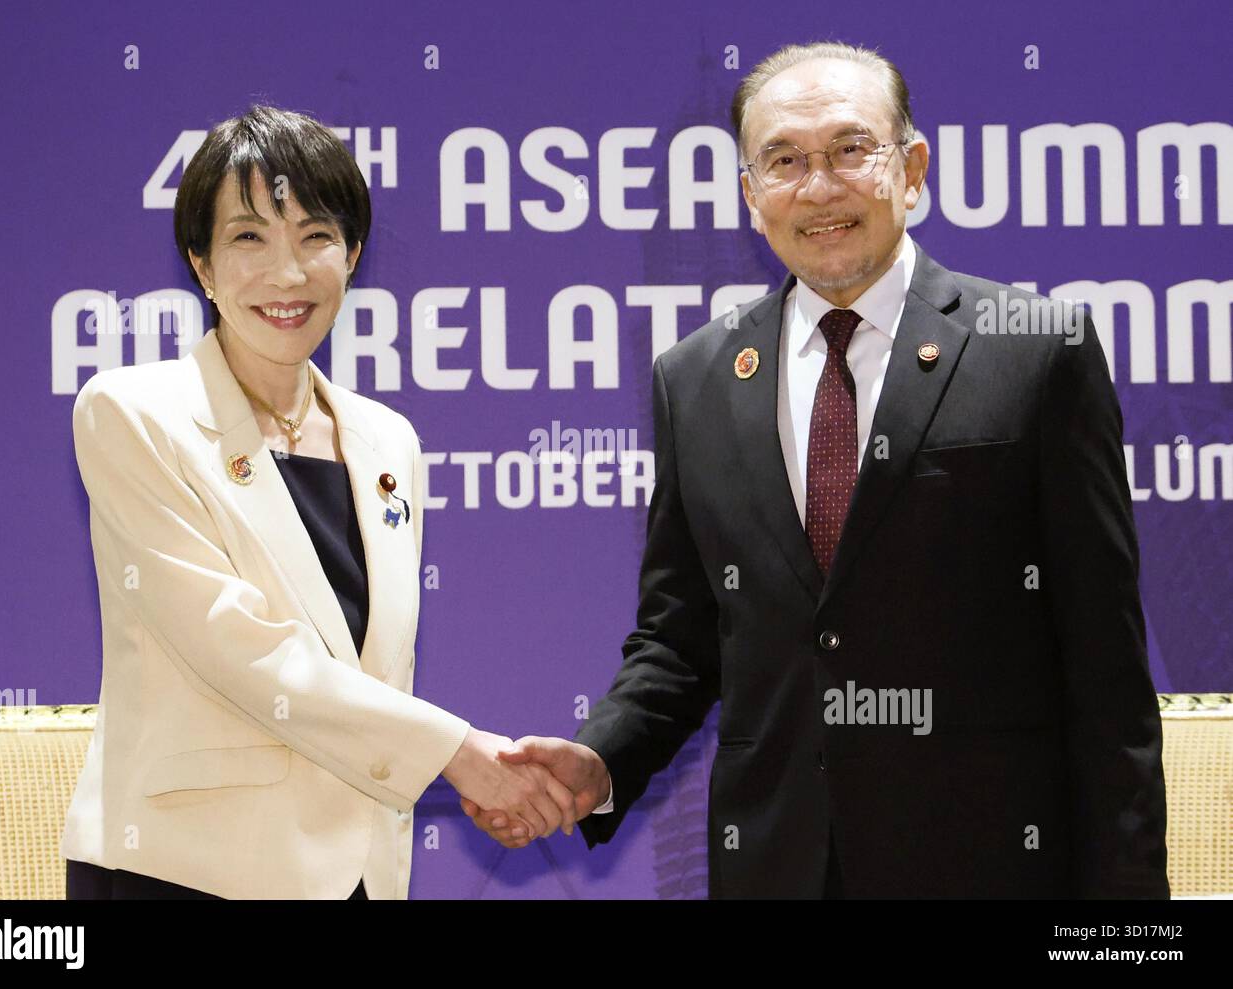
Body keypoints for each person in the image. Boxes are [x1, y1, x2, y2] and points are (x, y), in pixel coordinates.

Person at [461, 42, 1170, 898]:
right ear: (750, 195)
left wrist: (1128, 927)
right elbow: (680, 642)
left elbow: (1107, 674)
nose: (820, 187)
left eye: (849, 150)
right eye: (785, 161)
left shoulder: (1034, 351)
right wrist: (599, 760)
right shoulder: (696, 379)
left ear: (911, 169)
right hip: (776, 866)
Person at [62, 104, 574, 900]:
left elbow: (371, 670)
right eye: (249, 238)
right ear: (200, 264)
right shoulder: (133, 413)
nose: (288, 273)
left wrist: (466, 764)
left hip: (358, 872)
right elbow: (240, 650)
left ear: (353, 253)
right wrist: (457, 753)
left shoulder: (387, 440)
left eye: (315, 237)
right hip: (182, 870)